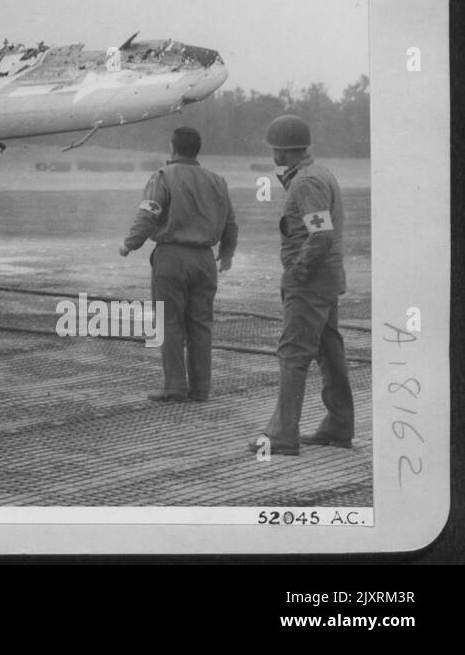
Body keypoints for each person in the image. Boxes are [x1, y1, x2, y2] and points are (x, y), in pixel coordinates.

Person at [250, 114, 353, 456]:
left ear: (282, 151)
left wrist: (296, 273)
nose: (273, 155)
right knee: (329, 352)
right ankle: (339, 425)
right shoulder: (319, 174)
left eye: (275, 149)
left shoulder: (306, 182)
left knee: (293, 355)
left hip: (310, 283)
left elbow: (320, 235)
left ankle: (282, 434)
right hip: (326, 280)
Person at [120, 127, 237, 403]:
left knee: (169, 322)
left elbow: (148, 214)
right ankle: (200, 389)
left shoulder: (163, 176)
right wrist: (228, 254)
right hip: (205, 260)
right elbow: (230, 222)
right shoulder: (217, 181)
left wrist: (129, 244)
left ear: (172, 149)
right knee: (200, 325)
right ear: (197, 149)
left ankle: (174, 386)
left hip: (171, 258)